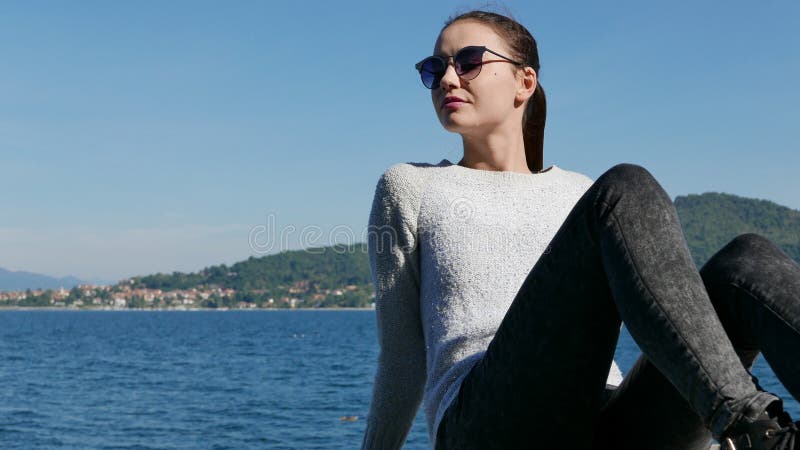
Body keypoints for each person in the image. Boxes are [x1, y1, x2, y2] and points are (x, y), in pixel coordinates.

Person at [361, 9, 800, 450]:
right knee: (626, 186)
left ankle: (757, 431)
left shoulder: (581, 195)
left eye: (469, 61)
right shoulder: (411, 187)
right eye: (434, 69)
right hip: (485, 423)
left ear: (524, 82)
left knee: (746, 263)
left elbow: (671, 317)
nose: (448, 80)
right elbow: (402, 357)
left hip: (606, 423)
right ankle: (747, 425)